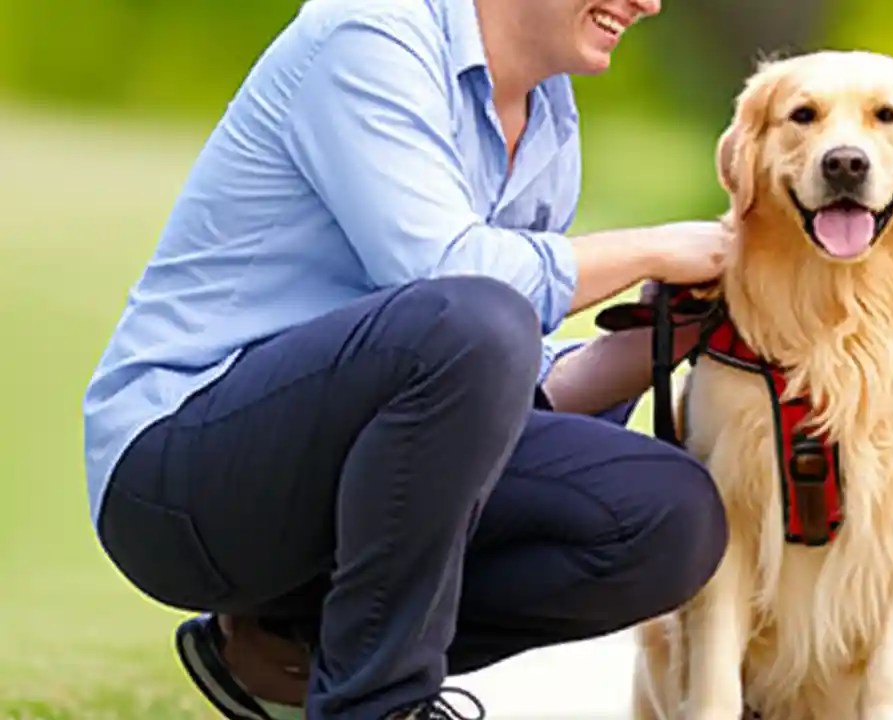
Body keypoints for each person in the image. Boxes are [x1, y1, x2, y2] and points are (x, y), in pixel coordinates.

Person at [80, 0, 732, 717]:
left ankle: (288, 648)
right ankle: (379, 704)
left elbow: (494, 390)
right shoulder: (370, 34)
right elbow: (454, 282)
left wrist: (663, 332)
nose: (649, 2)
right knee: (475, 315)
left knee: (670, 518)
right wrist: (655, 247)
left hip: (347, 487)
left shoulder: (548, 114)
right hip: (182, 480)